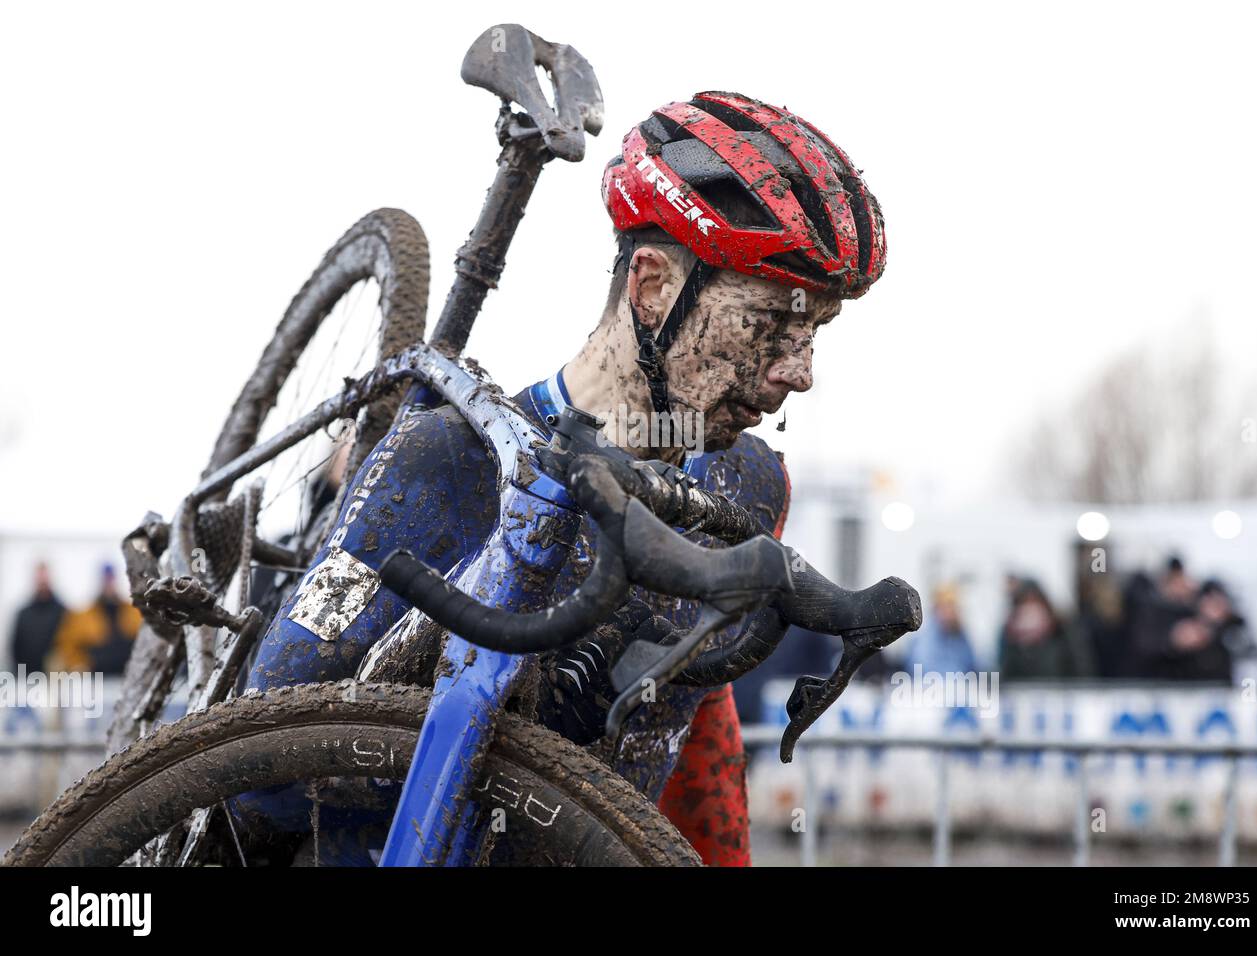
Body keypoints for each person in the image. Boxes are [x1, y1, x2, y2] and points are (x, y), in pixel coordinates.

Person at [240, 92, 887, 866]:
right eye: (769, 324)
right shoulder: (447, 460)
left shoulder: (747, 485)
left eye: (813, 331)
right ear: (651, 286)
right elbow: (252, 779)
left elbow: (695, 734)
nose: (800, 372)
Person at [51, 564, 142, 675]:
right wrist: (81, 665)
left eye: (110, 579)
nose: (108, 584)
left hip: (129, 676)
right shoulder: (83, 617)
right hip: (96, 680)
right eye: (105, 580)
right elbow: (67, 646)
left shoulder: (134, 613)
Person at [998, 579, 1092, 681]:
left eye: (1034, 602)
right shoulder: (1010, 637)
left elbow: (1082, 669)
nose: (1030, 611)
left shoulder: (1064, 632)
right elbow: (1006, 675)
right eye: (1024, 603)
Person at [902, 583, 978, 676]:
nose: (949, 613)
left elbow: (974, 665)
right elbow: (922, 669)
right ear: (936, 609)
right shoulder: (924, 639)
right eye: (945, 607)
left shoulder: (960, 636)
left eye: (952, 607)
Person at [8, 561, 65, 672]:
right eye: (40, 577)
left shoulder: (63, 613)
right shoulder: (23, 615)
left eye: (45, 577)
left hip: (56, 680)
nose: (42, 581)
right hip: (28, 680)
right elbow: (15, 649)